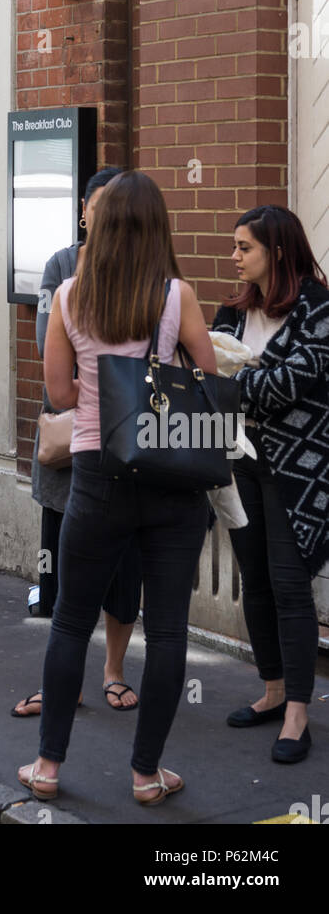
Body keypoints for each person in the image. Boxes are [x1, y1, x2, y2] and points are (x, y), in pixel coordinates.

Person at [18, 171, 216, 806]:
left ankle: (47, 768)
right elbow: (207, 381)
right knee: (167, 632)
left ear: (97, 224)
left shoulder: (72, 295)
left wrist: (102, 390)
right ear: (158, 226)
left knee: (71, 618)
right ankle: (146, 775)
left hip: (97, 474)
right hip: (170, 480)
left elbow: (59, 394)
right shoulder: (176, 297)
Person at [13, 166, 143, 718]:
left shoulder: (147, 273)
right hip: (72, 444)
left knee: (124, 567)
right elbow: (49, 348)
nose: (104, 212)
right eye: (97, 202)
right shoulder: (62, 266)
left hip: (132, 449)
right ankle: (65, 681)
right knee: (64, 569)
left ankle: (113, 670)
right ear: (84, 210)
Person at [213, 206, 329, 765]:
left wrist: (237, 377)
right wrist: (235, 376)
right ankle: (273, 691)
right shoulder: (234, 311)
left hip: (299, 470)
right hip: (244, 460)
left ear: (277, 252)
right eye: (235, 247)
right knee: (254, 581)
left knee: (289, 586)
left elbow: (292, 383)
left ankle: (299, 715)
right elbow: (205, 369)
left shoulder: (318, 309)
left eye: (244, 248)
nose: (234, 257)